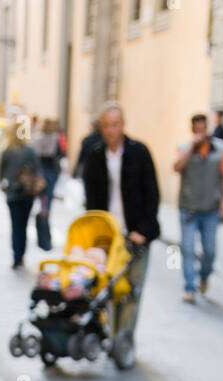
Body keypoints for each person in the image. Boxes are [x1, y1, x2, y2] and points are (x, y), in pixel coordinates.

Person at [82, 103, 161, 339]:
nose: (110, 131)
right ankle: (113, 339)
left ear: (123, 125)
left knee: (133, 291)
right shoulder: (95, 156)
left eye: (114, 125)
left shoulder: (140, 152)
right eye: (106, 126)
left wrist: (144, 232)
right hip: (108, 236)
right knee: (110, 291)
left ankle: (123, 341)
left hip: (136, 234)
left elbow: (153, 195)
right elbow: (91, 200)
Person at [173, 112, 223, 303]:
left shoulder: (221, 149)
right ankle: (190, 287)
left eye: (202, 128)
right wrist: (192, 146)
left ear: (206, 127)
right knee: (188, 248)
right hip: (188, 208)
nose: (200, 132)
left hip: (210, 209)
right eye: (196, 129)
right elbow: (176, 167)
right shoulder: (184, 148)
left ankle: (204, 276)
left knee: (209, 250)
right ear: (192, 129)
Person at [0, 121, 42, 269]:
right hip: (26, 193)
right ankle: (21, 255)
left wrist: (4, 185)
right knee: (23, 226)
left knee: (16, 225)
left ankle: (17, 256)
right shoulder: (29, 151)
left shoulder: (7, 151)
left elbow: (1, 173)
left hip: (12, 193)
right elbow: (37, 170)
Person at [33, 117, 63, 251]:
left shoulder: (38, 137)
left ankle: (44, 235)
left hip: (41, 171)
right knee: (46, 204)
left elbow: (34, 156)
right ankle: (45, 236)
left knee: (43, 203)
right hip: (50, 172)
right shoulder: (55, 138)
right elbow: (60, 154)